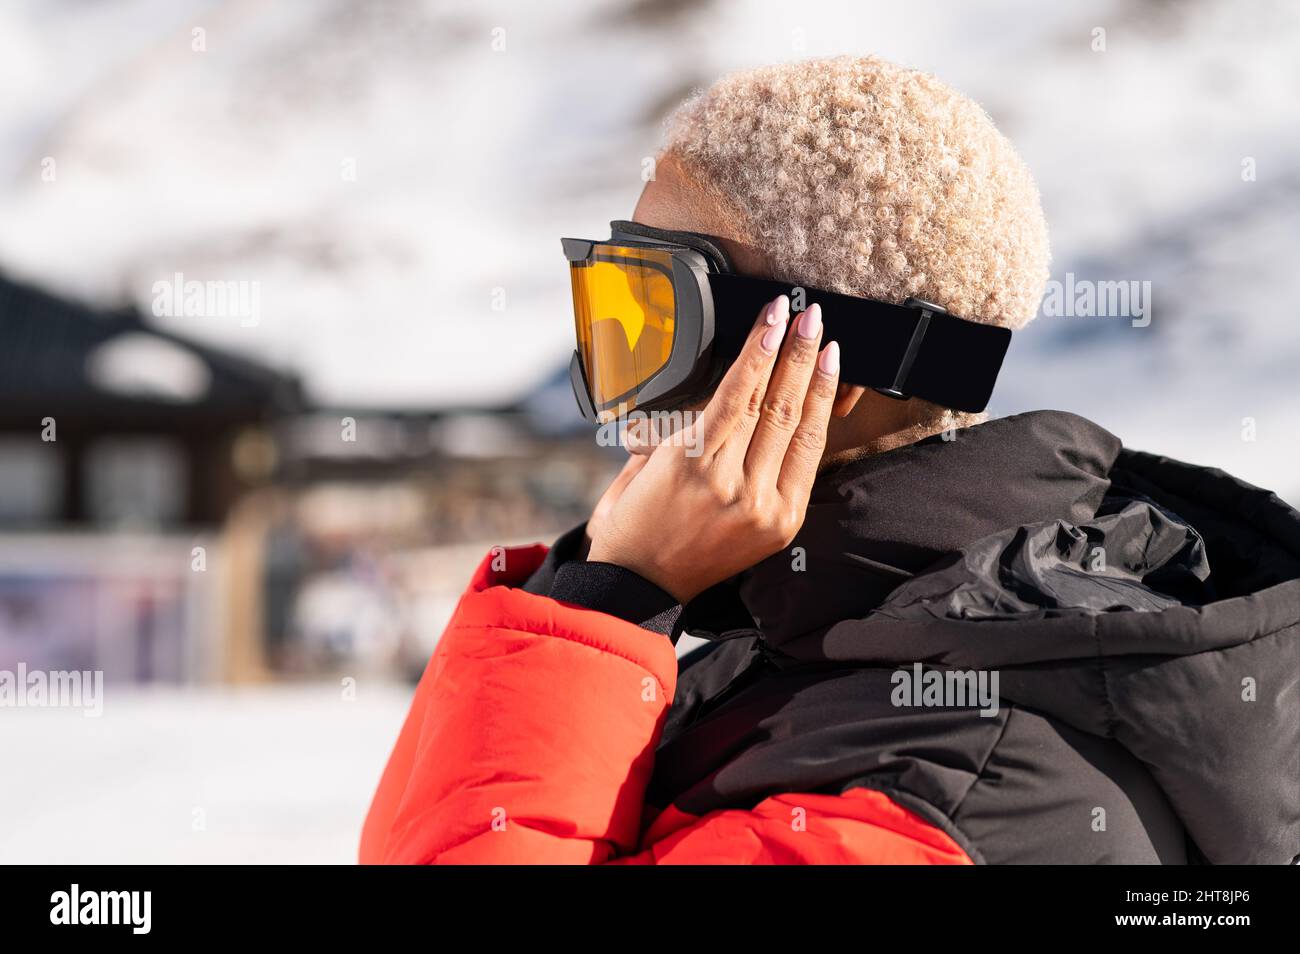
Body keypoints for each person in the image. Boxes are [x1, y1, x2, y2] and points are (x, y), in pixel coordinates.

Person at [360, 56, 1299, 864]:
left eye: (649, 319)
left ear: (819, 370)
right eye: (601, 311)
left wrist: (607, 598)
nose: (612, 386)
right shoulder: (804, 638)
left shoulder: (933, 800)